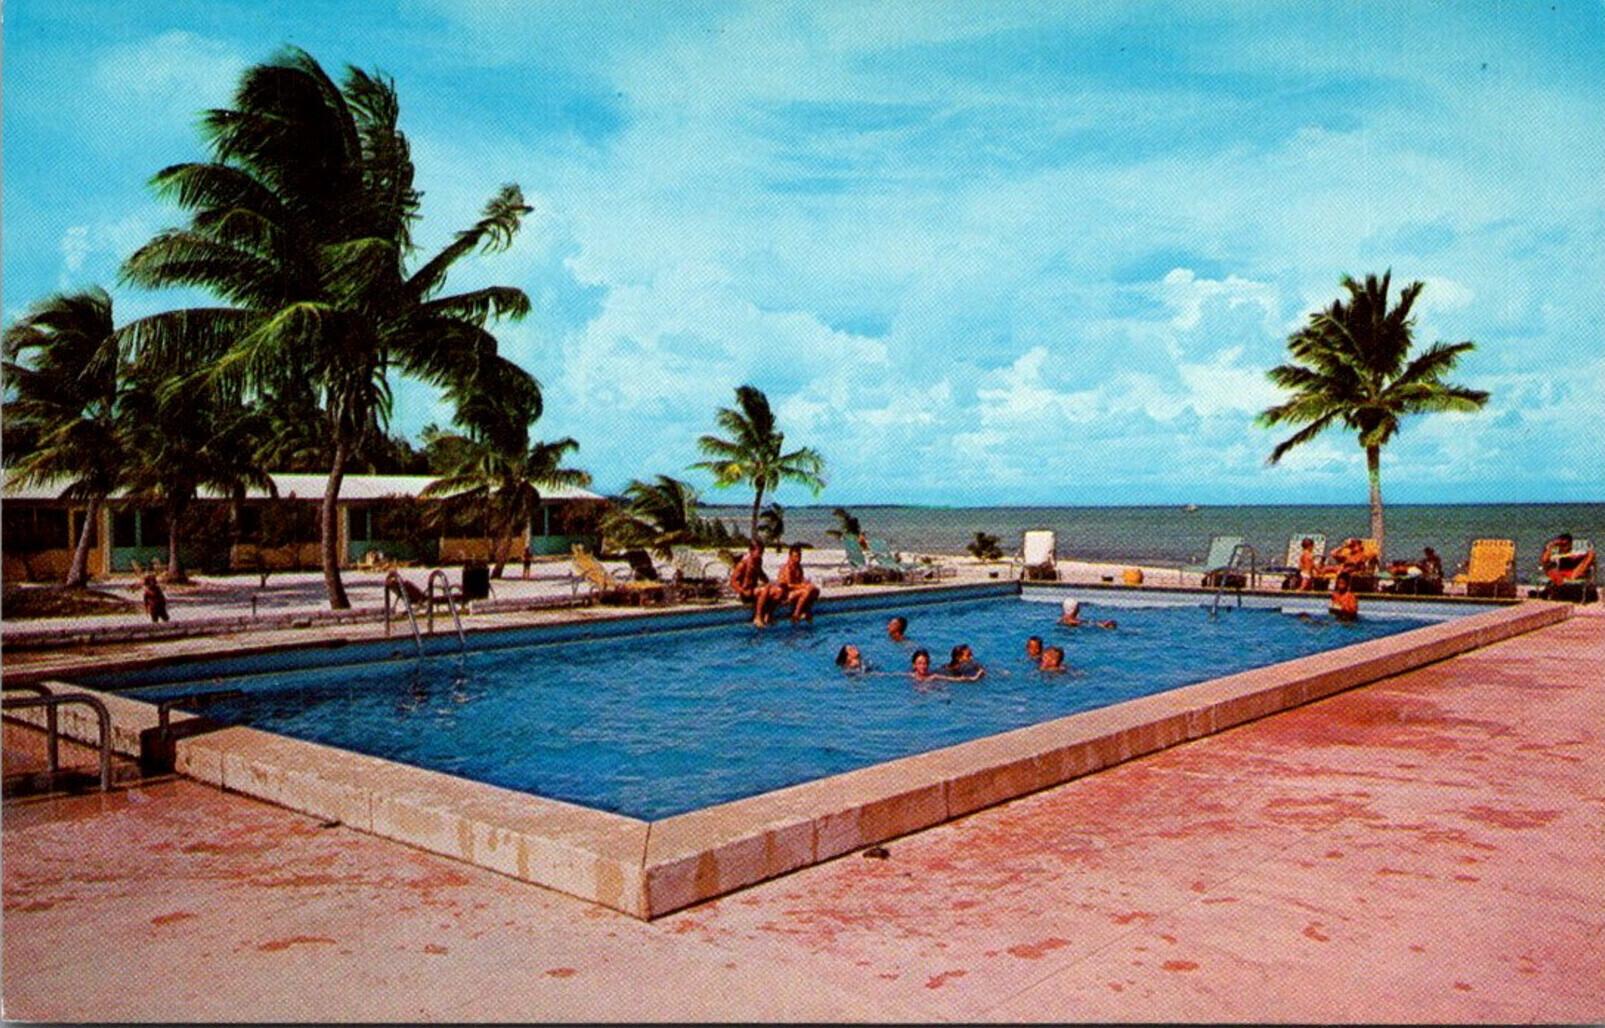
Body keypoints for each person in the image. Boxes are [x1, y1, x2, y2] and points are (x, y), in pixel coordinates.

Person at [729, 541, 783, 627]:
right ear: (751, 551)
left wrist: (770, 583)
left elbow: (761, 574)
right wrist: (742, 591)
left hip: (754, 590)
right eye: (759, 552)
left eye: (762, 552)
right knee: (764, 590)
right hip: (746, 592)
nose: (760, 555)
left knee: (778, 591)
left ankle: (767, 615)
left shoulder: (758, 561)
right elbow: (732, 582)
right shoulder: (743, 564)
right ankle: (757, 617)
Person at [774, 543, 821, 623]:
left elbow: (801, 580)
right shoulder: (787, 568)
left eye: (799, 556)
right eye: (796, 556)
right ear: (790, 556)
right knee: (806, 591)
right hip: (786, 594)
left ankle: (806, 610)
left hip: (796, 591)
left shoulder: (799, 567)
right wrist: (803, 587)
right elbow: (788, 585)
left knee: (815, 590)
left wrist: (807, 585)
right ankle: (796, 614)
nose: (798, 558)